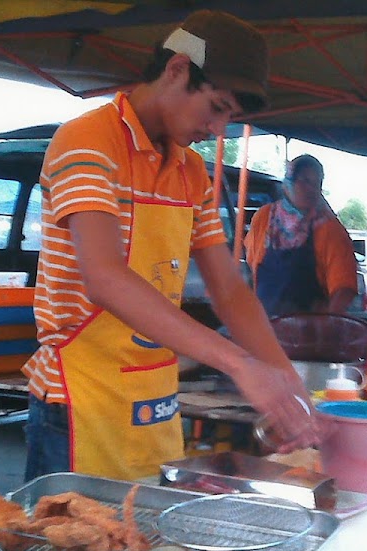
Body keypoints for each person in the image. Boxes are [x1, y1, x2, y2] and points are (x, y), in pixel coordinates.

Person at [23, 10, 322, 482]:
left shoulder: (192, 173)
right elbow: (103, 278)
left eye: (230, 117)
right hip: (77, 404)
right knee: (77, 550)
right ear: (178, 69)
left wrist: (290, 391)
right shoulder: (88, 141)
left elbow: (230, 290)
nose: (218, 129)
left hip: (157, 404)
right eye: (217, 107)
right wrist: (238, 365)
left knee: (154, 549)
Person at [243, 154, 358, 316]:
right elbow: (252, 268)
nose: (310, 189)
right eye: (304, 181)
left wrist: (328, 318)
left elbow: (344, 289)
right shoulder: (264, 217)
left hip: (308, 334)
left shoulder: (331, 229)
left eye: (316, 183)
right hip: (265, 327)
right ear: (288, 182)